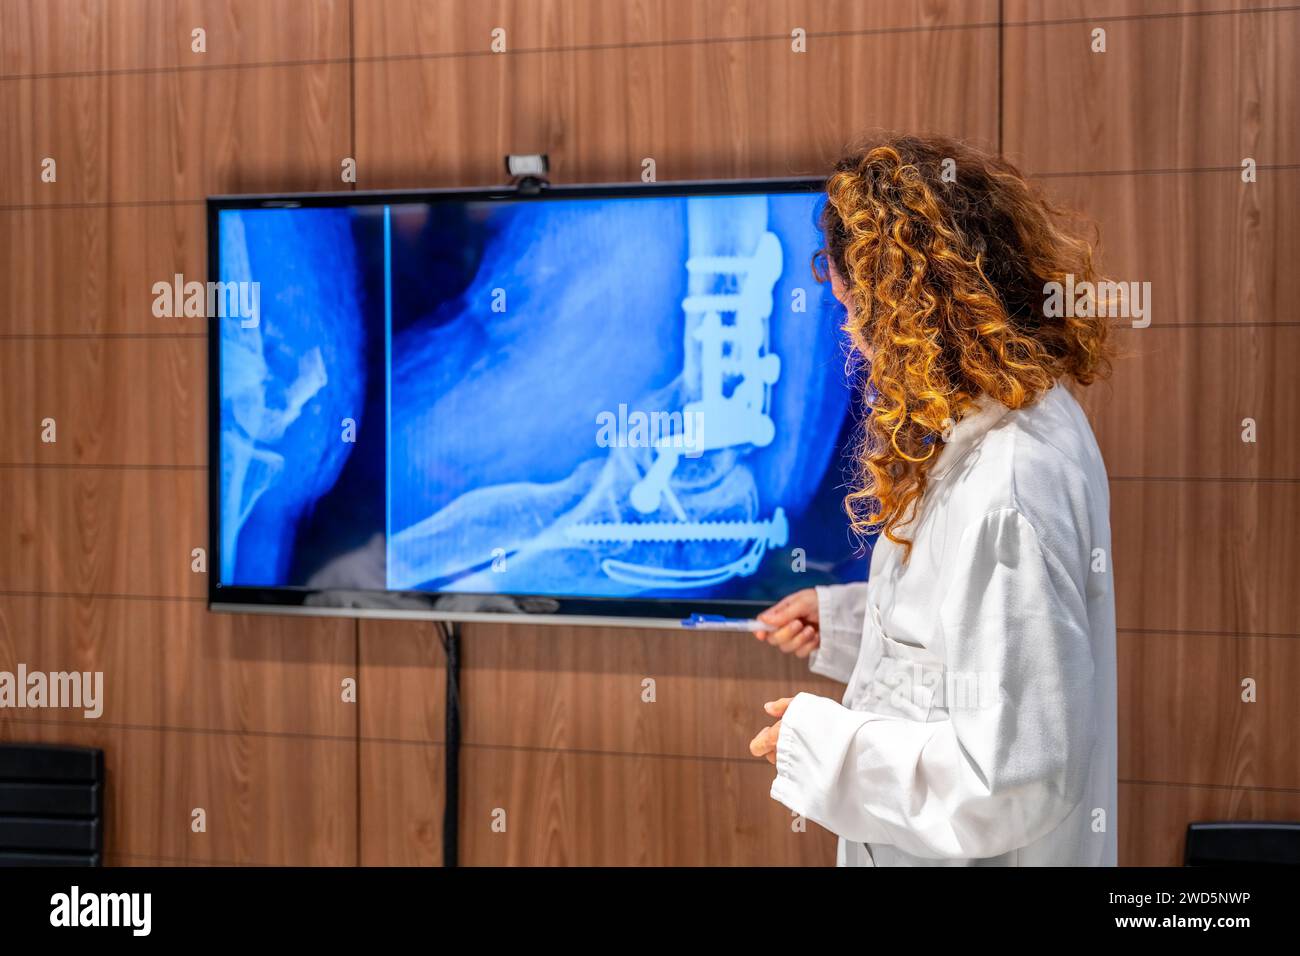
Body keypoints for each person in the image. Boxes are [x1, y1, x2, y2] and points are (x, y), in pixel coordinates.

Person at [748, 134, 1118, 866]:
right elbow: (971, 655)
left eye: (853, 307)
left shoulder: (1011, 479)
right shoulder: (994, 431)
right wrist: (849, 624)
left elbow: (1014, 780)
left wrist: (826, 749)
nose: (850, 331)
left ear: (904, 308)